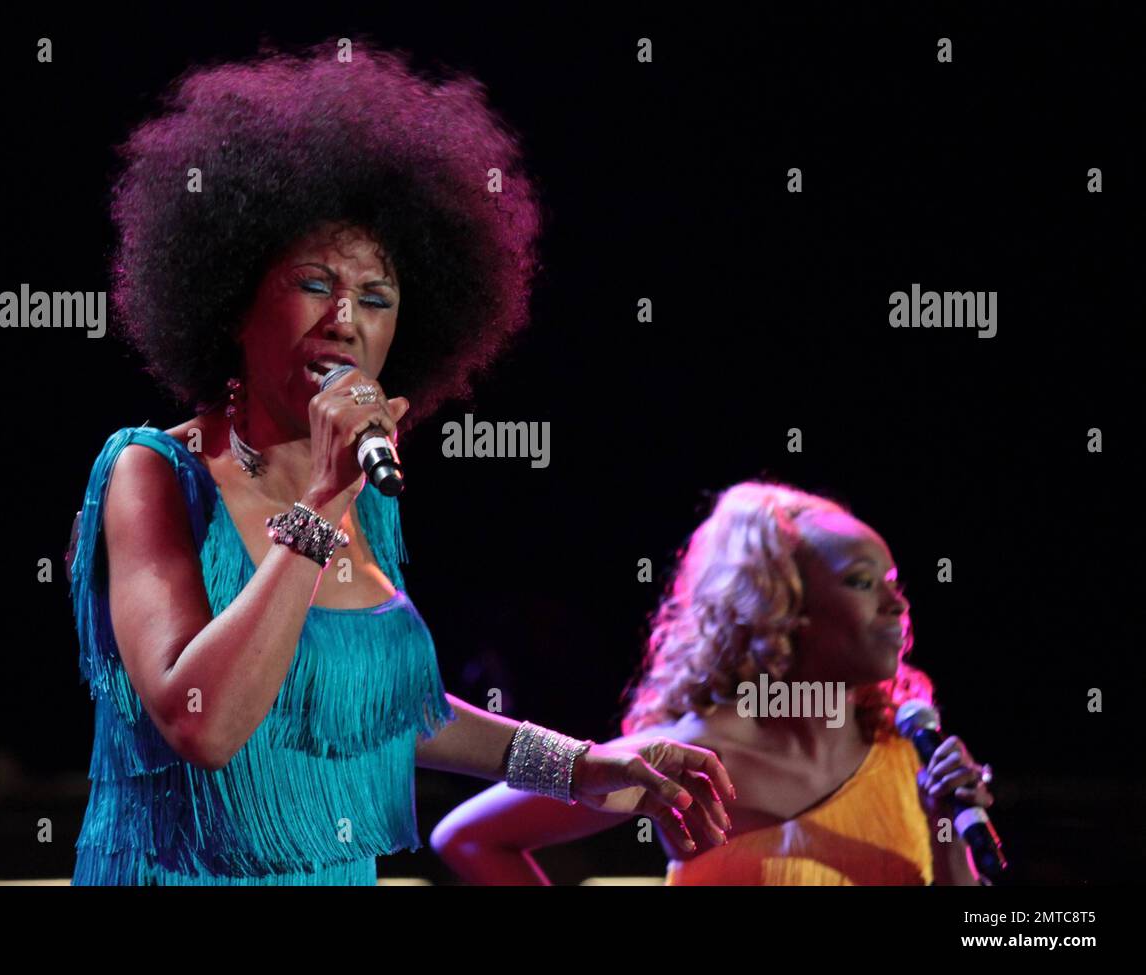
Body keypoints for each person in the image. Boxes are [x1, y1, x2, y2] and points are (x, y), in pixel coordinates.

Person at [65, 36, 733, 885]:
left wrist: (582, 765)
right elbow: (203, 723)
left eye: (376, 299)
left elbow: (385, 709)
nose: (346, 316)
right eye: (316, 282)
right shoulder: (153, 474)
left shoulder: (362, 493)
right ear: (232, 294)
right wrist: (319, 507)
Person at [431, 481, 995, 884]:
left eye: (893, 582)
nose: (896, 603)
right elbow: (469, 836)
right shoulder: (692, 755)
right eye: (861, 582)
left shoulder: (912, 757)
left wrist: (947, 834)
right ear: (782, 606)